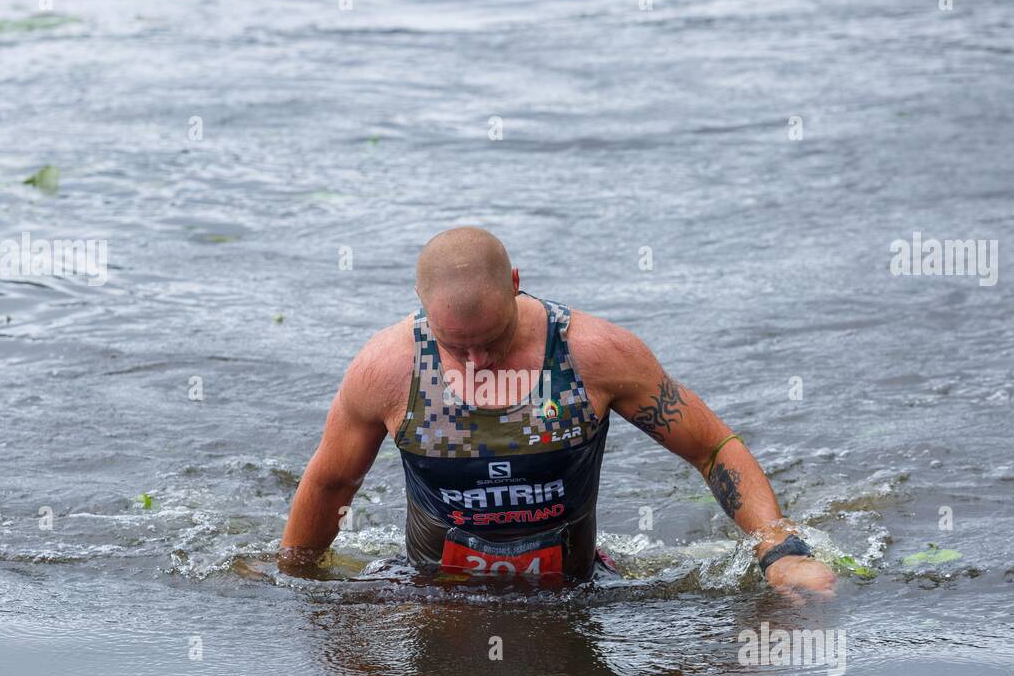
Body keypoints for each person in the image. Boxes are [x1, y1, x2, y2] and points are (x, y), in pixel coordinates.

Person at [280, 227, 836, 596]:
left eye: (491, 339)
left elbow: (712, 447)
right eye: (457, 347)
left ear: (517, 284)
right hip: (435, 591)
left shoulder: (593, 354)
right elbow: (331, 482)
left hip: (575, 591)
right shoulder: (386, 369)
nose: (476, 361)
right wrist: (293, 578)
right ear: (423, 306)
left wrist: (781, 549)